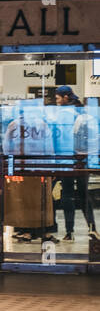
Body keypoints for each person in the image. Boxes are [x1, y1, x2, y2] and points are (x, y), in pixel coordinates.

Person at [53, 86, 97, 242]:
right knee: (83, 194)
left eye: (58, 98)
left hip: (67, 161)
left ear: (65, 97)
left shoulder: (62, 116)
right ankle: (92, 228)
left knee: (67, 195)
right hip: (81, 162)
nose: (56, 101)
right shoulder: (82, 114)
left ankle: (69, 232)